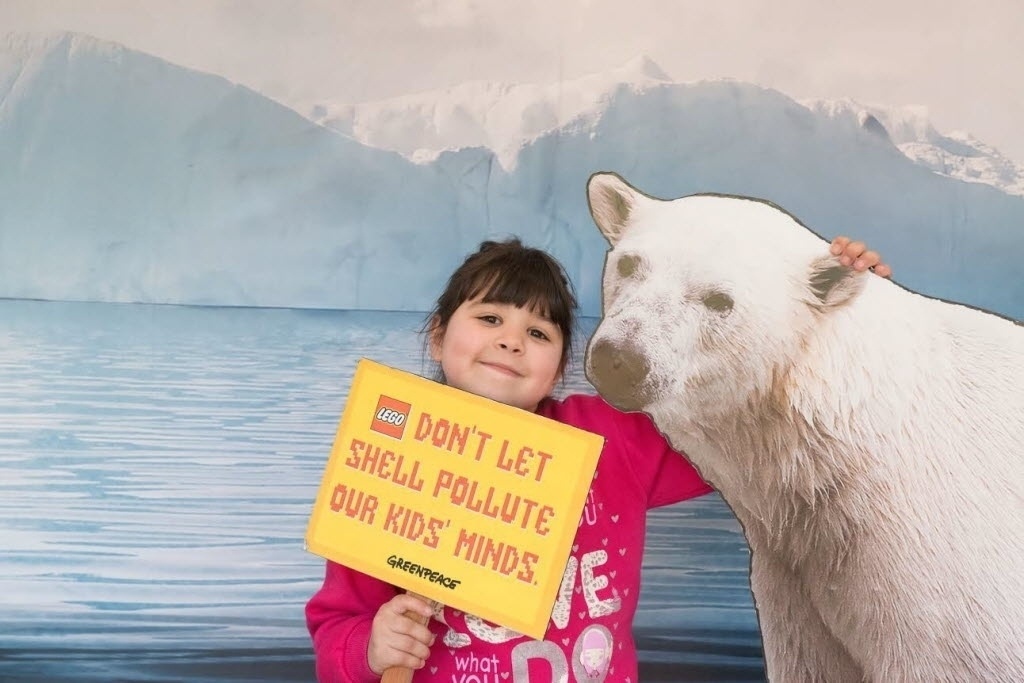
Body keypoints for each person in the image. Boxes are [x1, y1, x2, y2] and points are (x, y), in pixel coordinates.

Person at [306, 236, 891, 682]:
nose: (512, 340)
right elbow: (338, 624)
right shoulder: (389, 456)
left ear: (560, 366)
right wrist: (370, 647)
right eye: (489, 319)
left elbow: (745, 424)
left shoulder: (613, 439)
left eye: (539, 333)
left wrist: (844, 323)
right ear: (437, 336)